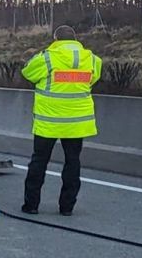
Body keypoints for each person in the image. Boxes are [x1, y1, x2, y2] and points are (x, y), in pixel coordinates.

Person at [19, 25, 102, 216]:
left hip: (48, 122)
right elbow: (93, 79)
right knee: (72, 162)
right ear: (75, 39)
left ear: (56, 39)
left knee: (39, 162)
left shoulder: (47, 57)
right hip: (76, 123)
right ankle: (67, 208)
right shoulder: (92, 59)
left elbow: (28, 72)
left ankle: (31, 205)